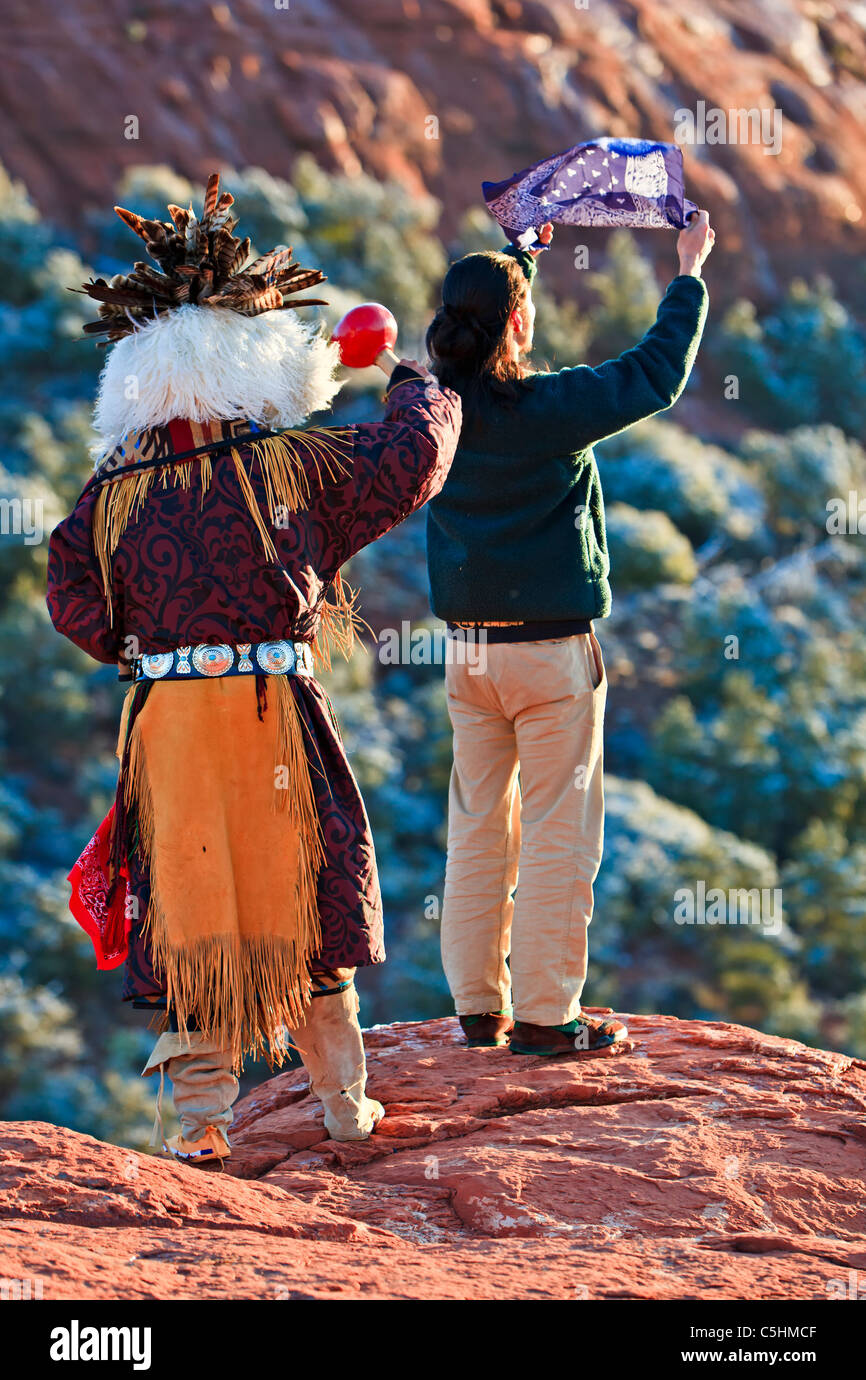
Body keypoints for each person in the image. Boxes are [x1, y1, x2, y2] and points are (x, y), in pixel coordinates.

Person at [47, 173, 461, 1162]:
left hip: (167, 726)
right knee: (301, 902)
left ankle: (199, 1127)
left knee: (192, 914)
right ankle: (345, 1110)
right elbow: (412, 461)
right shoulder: (288, 467)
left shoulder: (106, 502)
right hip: (272, 707)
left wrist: (144, 643)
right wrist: (412, 374)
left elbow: (78, 609)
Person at [425, 210, 714, 1056]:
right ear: (520, 321)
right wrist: (689, 272)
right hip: (550, 653)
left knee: (478, 825)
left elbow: (486, 333)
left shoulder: (430, 404)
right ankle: (550, 1019)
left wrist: (520, 262)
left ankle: (479, 1009)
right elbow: (655, 375)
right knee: (558, 830)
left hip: (470, 654)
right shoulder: (550, 409)